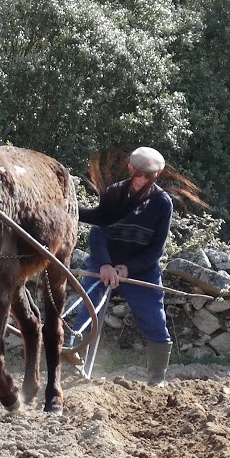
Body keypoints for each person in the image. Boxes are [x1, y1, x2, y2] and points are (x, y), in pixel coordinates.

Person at [66, 147, 173, 385]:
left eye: (149, 177)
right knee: (87, 312)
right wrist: (105, 265)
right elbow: (98, 234)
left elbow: (156, 249)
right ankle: (72, 368)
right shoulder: (114, 193)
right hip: (103, 263)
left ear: (157, 176)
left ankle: (157, 379)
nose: (142, 181)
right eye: (139, 174)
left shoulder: (162, 203)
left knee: (155, 319)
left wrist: (127, 269)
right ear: (130, 169)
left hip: (141, 269)